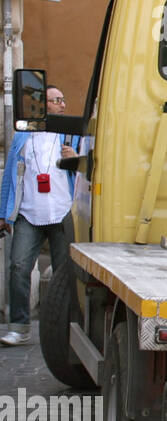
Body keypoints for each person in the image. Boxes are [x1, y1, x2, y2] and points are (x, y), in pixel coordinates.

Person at [1, 85, 79, 346]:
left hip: (62, 213)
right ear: (42, 105)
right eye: (57, 100)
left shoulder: (70, 134)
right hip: (28, 213)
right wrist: (4, 212)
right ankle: (20, 328)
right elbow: (10, 174)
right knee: (19, 266)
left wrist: (77, 157)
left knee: (63, 274)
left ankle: (64, 331)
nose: (63, 104)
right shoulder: (24, 134)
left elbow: (93, 165)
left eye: (63, 99)